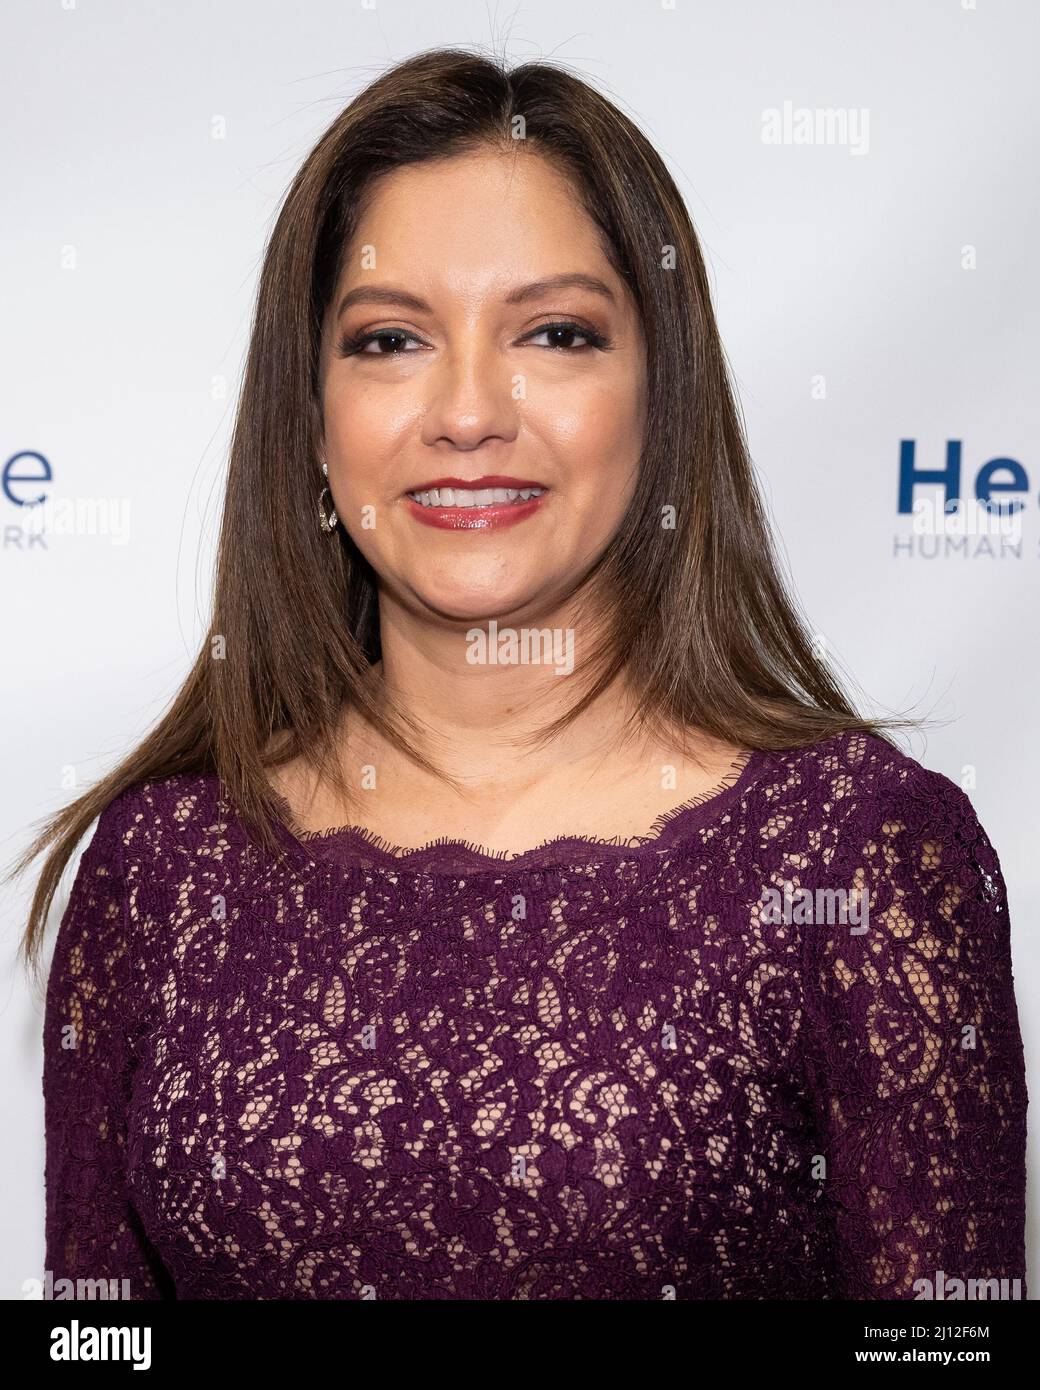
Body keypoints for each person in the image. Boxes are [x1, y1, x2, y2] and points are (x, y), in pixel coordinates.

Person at [16, 47, 1026, 1300]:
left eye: (553, 333)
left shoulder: (858, 856)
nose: (467, 412)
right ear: (311, 413)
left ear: (659, 391)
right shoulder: (162, 868)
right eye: (391, 340)